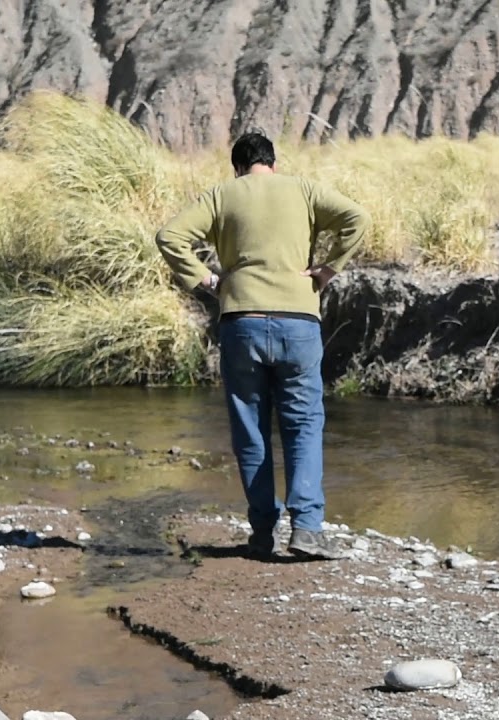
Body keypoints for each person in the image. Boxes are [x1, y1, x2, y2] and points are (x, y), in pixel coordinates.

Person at [155, 132, 370, 560]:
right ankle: (306, 529)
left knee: (251, 430)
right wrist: (328, 270)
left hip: (242, 323)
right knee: (303, 426)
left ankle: (262, 533)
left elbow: (170, 236)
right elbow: (357, 219)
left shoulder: (223, 194)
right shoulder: (304, 190)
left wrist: (210, 280)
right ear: (273, 162)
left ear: (237, 166)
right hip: (299, 323)